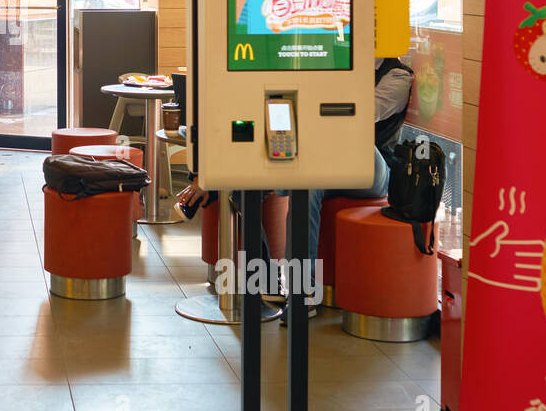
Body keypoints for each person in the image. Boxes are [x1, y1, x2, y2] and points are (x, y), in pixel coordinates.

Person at [175, 58, 414, 318]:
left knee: (294, 148)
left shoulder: (398, 75)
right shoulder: (338, 62)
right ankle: (284, 285)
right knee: (286, 184)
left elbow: (356, 115)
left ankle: (215, 179)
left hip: (371, 165)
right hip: (321, 158)